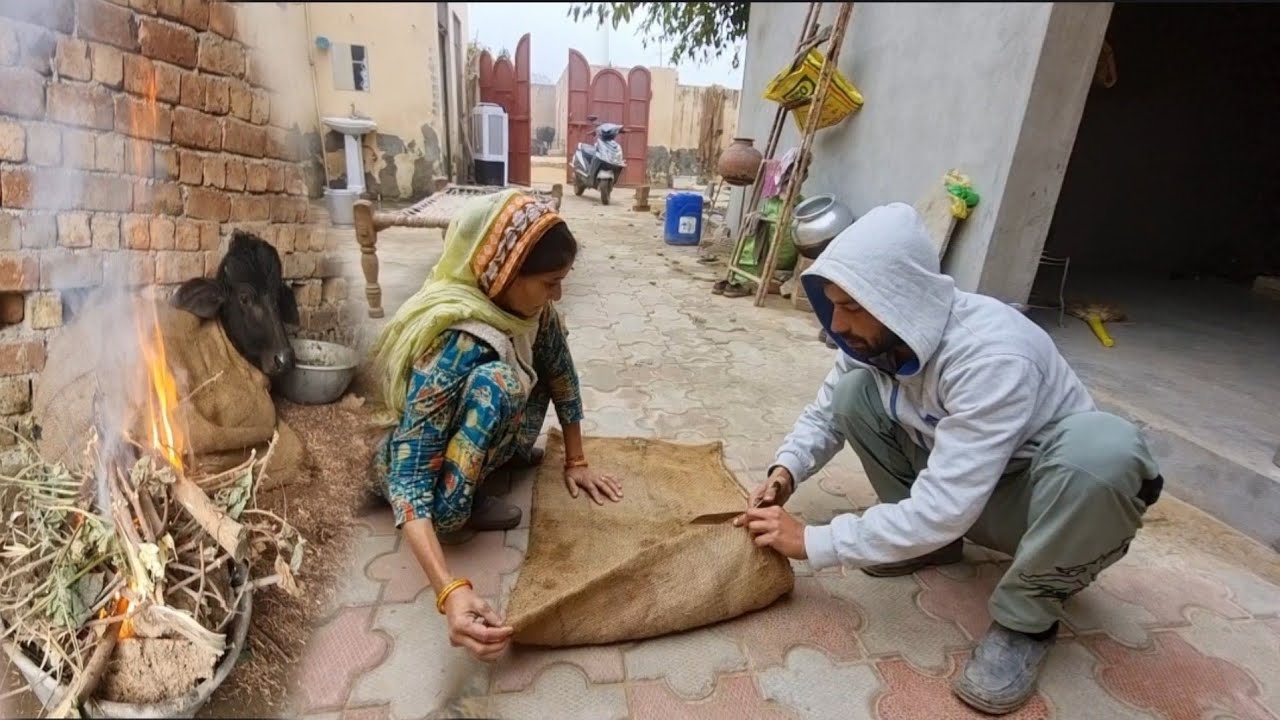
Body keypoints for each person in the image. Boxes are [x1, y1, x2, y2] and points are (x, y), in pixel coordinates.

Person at [737, 203, 1163, 715]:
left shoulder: (991, 355)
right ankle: (927, 548)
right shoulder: (870, 338)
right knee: (853, 395)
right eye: (834, 305)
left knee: (1105, 453)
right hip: (958, 486)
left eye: (851, 307)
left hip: (1033, 508)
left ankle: (1026, 620)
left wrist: (812, 541)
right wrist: (785, 472)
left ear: (897, 300)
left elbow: (945, 506)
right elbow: (826, 413)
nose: (839, 323)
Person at [369, 189, 623, 662]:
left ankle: (484, 470)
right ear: (506, 273)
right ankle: (455, 511)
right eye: (550, 282)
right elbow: (409, 477)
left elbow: (563, 377)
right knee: (499, 383)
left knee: (537, 367)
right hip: (412, 467)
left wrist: (578, 460)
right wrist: (450, 592)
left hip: (470, 441)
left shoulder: (532, 314)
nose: (557, 294)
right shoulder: (451, 343)